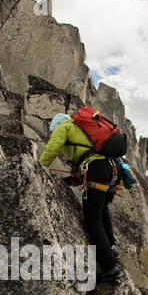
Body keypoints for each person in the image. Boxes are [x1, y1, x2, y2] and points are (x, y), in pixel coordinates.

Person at [40, 112, 123, 283]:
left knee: (92, 220)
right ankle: (111, 247)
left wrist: (38, 167)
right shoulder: (85, 132)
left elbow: (53, 147)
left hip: (98, 169)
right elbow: (87, 158)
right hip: (114, 168)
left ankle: (109, 267)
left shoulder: (64, 127)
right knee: (102, 209)